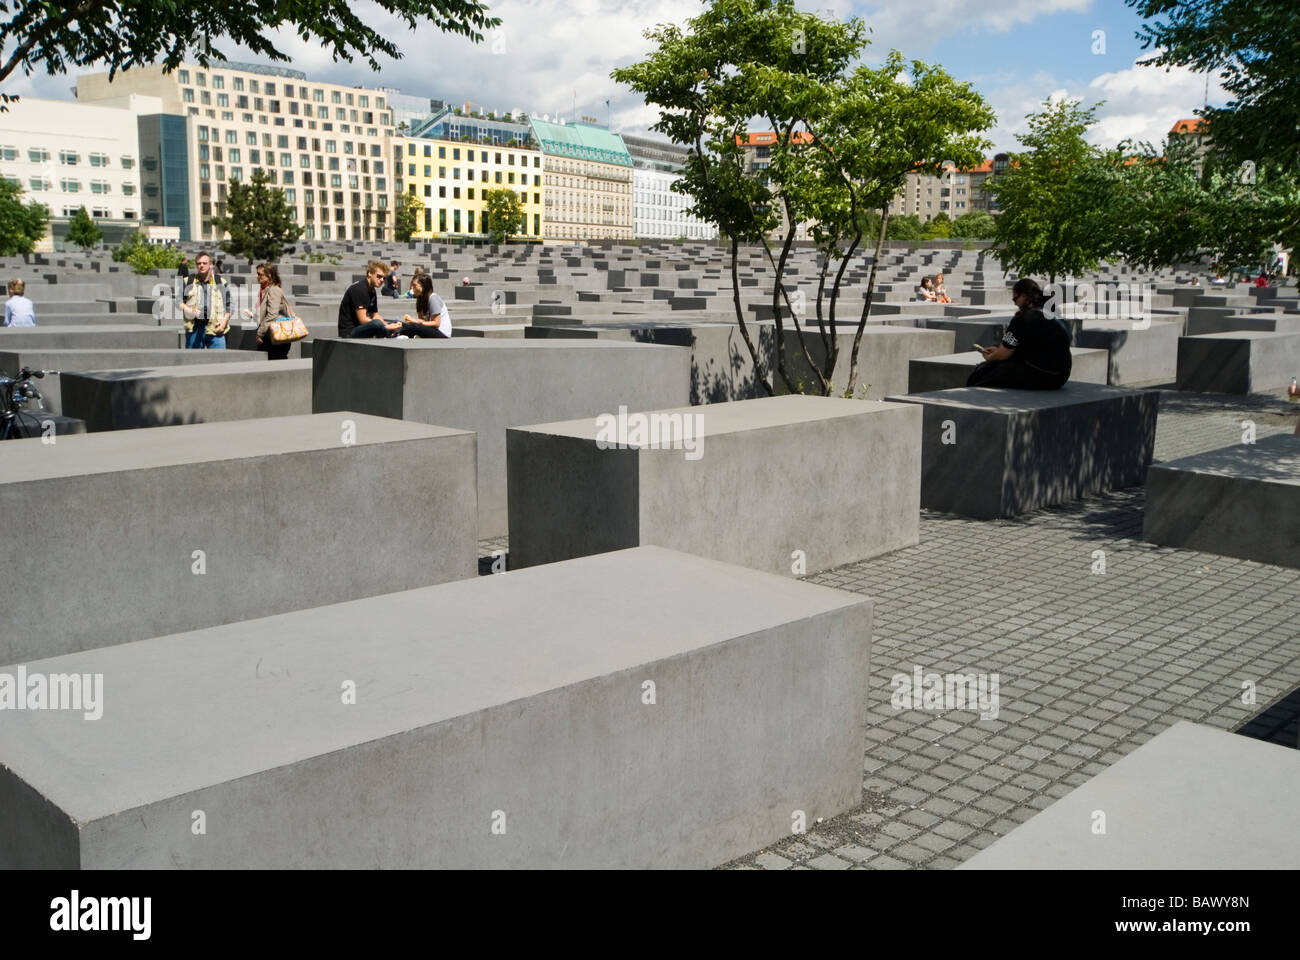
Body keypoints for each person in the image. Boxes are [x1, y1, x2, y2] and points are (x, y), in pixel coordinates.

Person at [966, 277, 1071, 390]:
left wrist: (991, 357)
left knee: (980, 374)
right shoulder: (1052, 312)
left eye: (1015, 299)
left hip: (1042, 375)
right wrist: (998, 351)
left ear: (1025, 296)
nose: (1015, 304)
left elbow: (1003, 355)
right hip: (1061, 375)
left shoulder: (1024, 318)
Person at [242, 262, 295, 360]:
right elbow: (266, 313)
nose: (256, 276)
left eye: (259, 274)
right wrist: (253, 315)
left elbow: (272, 315)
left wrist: (259, 333)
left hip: (275, 337)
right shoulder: (265, 291)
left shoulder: (274, 290)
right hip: (271, 336)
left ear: (269, 275)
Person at [179, 252, 230, 348]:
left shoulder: (221, 282)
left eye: (204, 263)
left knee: (219, 361)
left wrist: (224, 321)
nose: (201, 265)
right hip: (194, 328)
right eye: (199, 263)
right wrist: (189, 310)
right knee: (194, 361)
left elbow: (229, 305)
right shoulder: (188, 281)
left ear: (211, 265)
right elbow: (179, 301)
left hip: (216, 328)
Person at [338, 260, 400, 338]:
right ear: (370, 273)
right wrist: (386, 327)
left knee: (391, 323)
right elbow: (363, 320)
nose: (382, 280)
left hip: (361, 328)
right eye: (379, 276)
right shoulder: (359, 289)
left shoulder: (372, 291)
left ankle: (393, 333)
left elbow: (375, 315)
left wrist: (388, 325)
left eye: (384, 278)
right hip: (349, 332)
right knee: (377, 324)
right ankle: (391, 334)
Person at [399, 274, 453, 339]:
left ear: (423, 286)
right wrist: (412, 321)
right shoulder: (420, 300)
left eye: (414, 285)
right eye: (411, 285)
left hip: (442, 334)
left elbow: (436, 323)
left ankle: (396, 335)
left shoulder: (433, 298)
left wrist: (417, 322)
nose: (411, 288)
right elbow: (422, 320)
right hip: (432, 330)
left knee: (414, 327)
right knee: (402, 324)